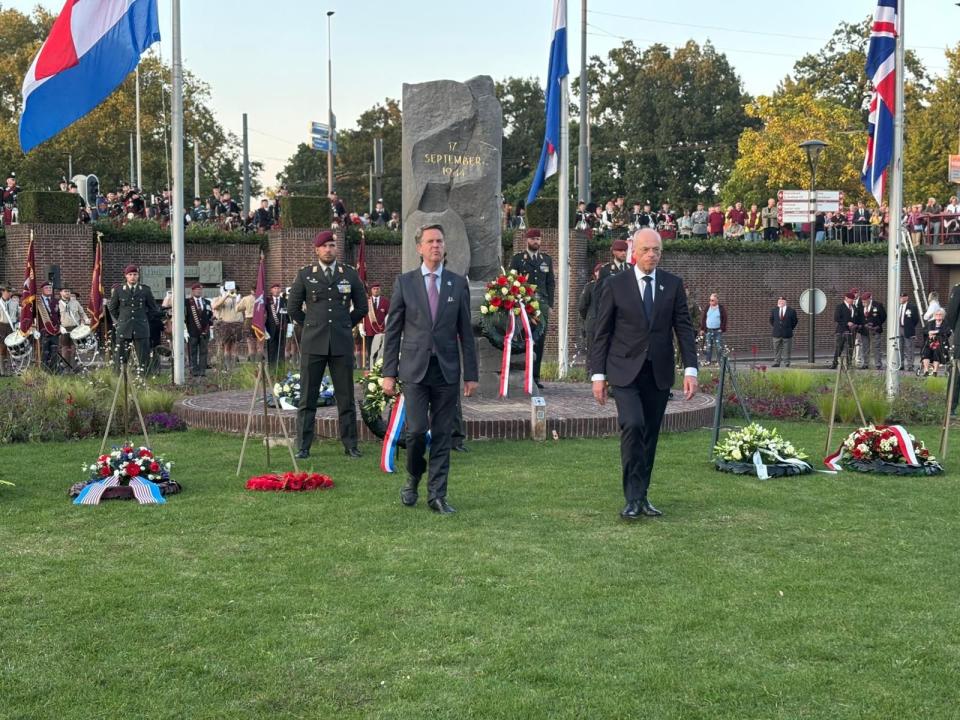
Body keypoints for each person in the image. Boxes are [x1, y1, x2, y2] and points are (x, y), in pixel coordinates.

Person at [589, 227, 698, 520]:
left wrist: (690, 370)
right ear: (633, 252)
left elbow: (684, 329)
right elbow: (601, 332)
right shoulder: (615, 285)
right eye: (646, 250)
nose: (652, 255)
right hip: (624, 372)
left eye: (657, 250)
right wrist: (598, 375)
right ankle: (632, 497)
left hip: (658, 372)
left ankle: (642, 496)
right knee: (633, 424)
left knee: (649, 434)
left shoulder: (672, 285)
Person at [382, 223, 478, 514]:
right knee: (415, 432)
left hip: (446, 371)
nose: (436, 245)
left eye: (439, 241)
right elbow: (393, 331)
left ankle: (437, 495)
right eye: (430, 241)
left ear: (445, 246)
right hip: (414, 371)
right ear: (419, 248)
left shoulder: (457, 283)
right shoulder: (405, 283)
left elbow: (466, 332)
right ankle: (413, 477)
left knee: (442, 434)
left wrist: (471, 374)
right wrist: (389, 373)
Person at [288, 231, 368, 460]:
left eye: (332, 245)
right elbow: (293, 308)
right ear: (317, 250)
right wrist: (311, 325)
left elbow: (361, 307)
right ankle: (303, 446)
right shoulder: (305, 274)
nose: (328, 249)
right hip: (313, 342)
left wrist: (345, 324)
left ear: (336, 249)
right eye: (324, 246)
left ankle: (350, 445)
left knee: (346, 397)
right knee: (307, 397)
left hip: (341, 342)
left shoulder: (349, 274)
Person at [508, 229, 555, 389]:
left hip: (541, 304)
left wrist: (550, 305)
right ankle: (524, 375)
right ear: (527, 240)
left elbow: (550, 283)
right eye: (533, 239)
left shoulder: (546, 259)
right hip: (524, 303)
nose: (536, 241)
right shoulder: (518, 259)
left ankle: (535, 377)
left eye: (538, 239)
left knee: (540, 340)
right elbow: (511, 280)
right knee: (524, 338)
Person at [107, 265, 158, 373]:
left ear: (138, 276)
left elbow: (153, 309)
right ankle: (120, 379)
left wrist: (144, 318)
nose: (132, 277)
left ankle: (144, 379)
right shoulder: (119, 290)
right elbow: (112, 308)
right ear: (126, 276)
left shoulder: (145, 290)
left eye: (135, 274)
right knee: (121, 358)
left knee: (143, 359)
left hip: (141, 328)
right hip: (124, 328)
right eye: (130, 274)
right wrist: (122, 319)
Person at [211, 282, 243, 371]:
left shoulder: (238, 298)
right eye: (230, 289)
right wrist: (225, 296)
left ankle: (233, 367)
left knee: (235, 347)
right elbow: (215, 306)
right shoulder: (218, 298)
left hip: (237, 324)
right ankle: (227, 367)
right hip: (226, 324)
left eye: (234, 289)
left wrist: (239, 300)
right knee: (226, 347)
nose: (233, 290)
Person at [185, 283, 213, 377]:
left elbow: (210, 316)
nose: (199, 291)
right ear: (192, 291)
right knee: (192, 351)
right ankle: (194, 370)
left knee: (203, 351)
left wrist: (210, 328)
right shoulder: (187, 302)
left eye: (200, 289)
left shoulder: (207, 302)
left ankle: (202, 371)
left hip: (204, 331)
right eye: (197, 290)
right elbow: (185, 317)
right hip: (192, 331)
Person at [58, 287, 89, 368]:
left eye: (68, 291)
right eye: (65, 291)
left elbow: (82, 313)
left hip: (75, 328)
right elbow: (55, 317)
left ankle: (73, 367)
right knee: (64, 349)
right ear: (61, 293)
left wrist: (86, 319)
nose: (67, 293)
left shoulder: (75, 303)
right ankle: (65, 367)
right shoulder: (58, 304)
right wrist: (59, 326)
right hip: (64, 328)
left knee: (73, 348)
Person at [362, 282, 389, 369]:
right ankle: (370, 366)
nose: (376, 290)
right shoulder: (366, 302)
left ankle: (379, 366)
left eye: (377, 289)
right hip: (369, 330)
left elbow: (389, 315)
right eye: (374, 289)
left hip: (381, 331)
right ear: (371, 290)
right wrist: (361, 326)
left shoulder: (385, 302)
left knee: (381, 349)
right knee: (370, 349)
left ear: (380, 290)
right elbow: (361, 314)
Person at [832, 292, 860, 369]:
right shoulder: (840, 307)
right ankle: (835, 363)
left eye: (853, 299)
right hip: (841, 331)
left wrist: (856, 324)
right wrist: (847, 323)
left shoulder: (854, 307)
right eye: (851, 299)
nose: (852, 301)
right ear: (846, 298)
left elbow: (856, 318)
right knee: (839, 347)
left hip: (851, 331)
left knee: (850, 348)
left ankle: (849, 364)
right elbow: (836, 318)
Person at [859, 292, 886, 370]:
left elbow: (883, 316)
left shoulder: (877, 305)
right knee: (865, 347)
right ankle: (865, 363)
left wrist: (876, 324)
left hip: (875, 329)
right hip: (864, 330)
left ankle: (878, 364)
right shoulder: (860, 306)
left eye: (865, 301)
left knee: (877, 347)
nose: (863, 303)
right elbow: (859, 317)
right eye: (862, 301)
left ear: (869, 299)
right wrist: (864, 324)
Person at [769, 296, 798, 367]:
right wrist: (777, 327)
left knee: (787, 349)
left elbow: (795, 321)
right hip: (776, 333)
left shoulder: (791, 311)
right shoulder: (774, 310)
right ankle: (777, 362)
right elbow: (771, 320)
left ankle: (787, 362)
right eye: (779, 301)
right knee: (776, 349)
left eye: (782, 301)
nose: (780, 303)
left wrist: (789, 328)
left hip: (787, 333)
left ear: (785, 302)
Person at [920, 309, 950, 376]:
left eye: (940, 314)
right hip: (930, 343)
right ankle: (926, 371)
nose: (938, 316)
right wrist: (929, 332)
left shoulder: (946, 323)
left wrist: (936, 332)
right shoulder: (930, 323)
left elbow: (948, 332)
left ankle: (935, 371)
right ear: (934, 315)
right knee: (925, 352)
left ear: (943, 316)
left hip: (941, 344)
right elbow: (924, 331)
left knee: (937, 351)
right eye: (936, 314)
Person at [264, 283, 288, 368]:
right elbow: (264, 313)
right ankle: (272, 366)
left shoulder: (284, 301)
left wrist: (289, 327)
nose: (276, 290)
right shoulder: (267, 301)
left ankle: (281, 366)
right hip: (270, 328)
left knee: (281, 347)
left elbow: (288, 315)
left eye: (278, 288)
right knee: (271, 347)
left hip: (282, 328)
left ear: (280, 290)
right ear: (271, 290)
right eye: (274, 288)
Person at [896, 290, 920, 372]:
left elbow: (916, 319)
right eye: (900, 297)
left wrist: (910, 326)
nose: (901, 299)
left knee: (909, 348)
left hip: (908, 329)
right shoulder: (898, 306)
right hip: (899, 328)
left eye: (903, 297)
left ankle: (910, 365)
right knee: (900, 347)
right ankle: (901, 364)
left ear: (906, 298)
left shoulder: (912, 306)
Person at [700, 293, 726, 365]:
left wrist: (722, 329)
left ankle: (719, 362)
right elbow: (704, 318)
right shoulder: (707, 307)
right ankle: (708, 361)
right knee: (708, 347)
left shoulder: (721, 308)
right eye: (710, 300)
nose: (710, 302)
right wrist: (702, 329)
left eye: (712, 300)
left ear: (717, 300)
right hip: (708, 330)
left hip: (717, 331)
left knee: (719, 347)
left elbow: (724, 318)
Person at [236, 285, 260, 361]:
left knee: (250, 343)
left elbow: (238, 309)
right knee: (259, 343)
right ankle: (258, 362)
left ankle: (252, 361)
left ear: (251, 290)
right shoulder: (262, 298)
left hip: (249, 320)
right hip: (259, 321)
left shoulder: (246, 298)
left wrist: (238, 302)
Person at [0, 285, 19, 375]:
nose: (9, 293)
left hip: (11, 327)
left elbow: (18, 316)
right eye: (7, 291)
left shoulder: (15, 303)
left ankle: (9, 371)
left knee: (10, 349)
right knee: (2, 349)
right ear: (2, 292)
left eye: (10, 291)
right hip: (1, 326)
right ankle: (2, 371)